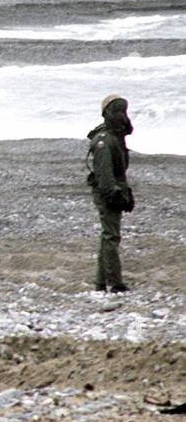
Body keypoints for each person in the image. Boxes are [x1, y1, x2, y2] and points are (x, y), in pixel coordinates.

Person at [87, 94, 135, 292]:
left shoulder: (115, 137)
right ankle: (115, 283)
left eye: (124, 111)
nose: (122, 116)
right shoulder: (104, 141)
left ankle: (101, 283)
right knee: (111, 236)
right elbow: (105, 175)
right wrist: (115, 194)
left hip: (115, 190)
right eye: (118, 111)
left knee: (108, 236)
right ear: (107, 113)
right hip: (108, 192)